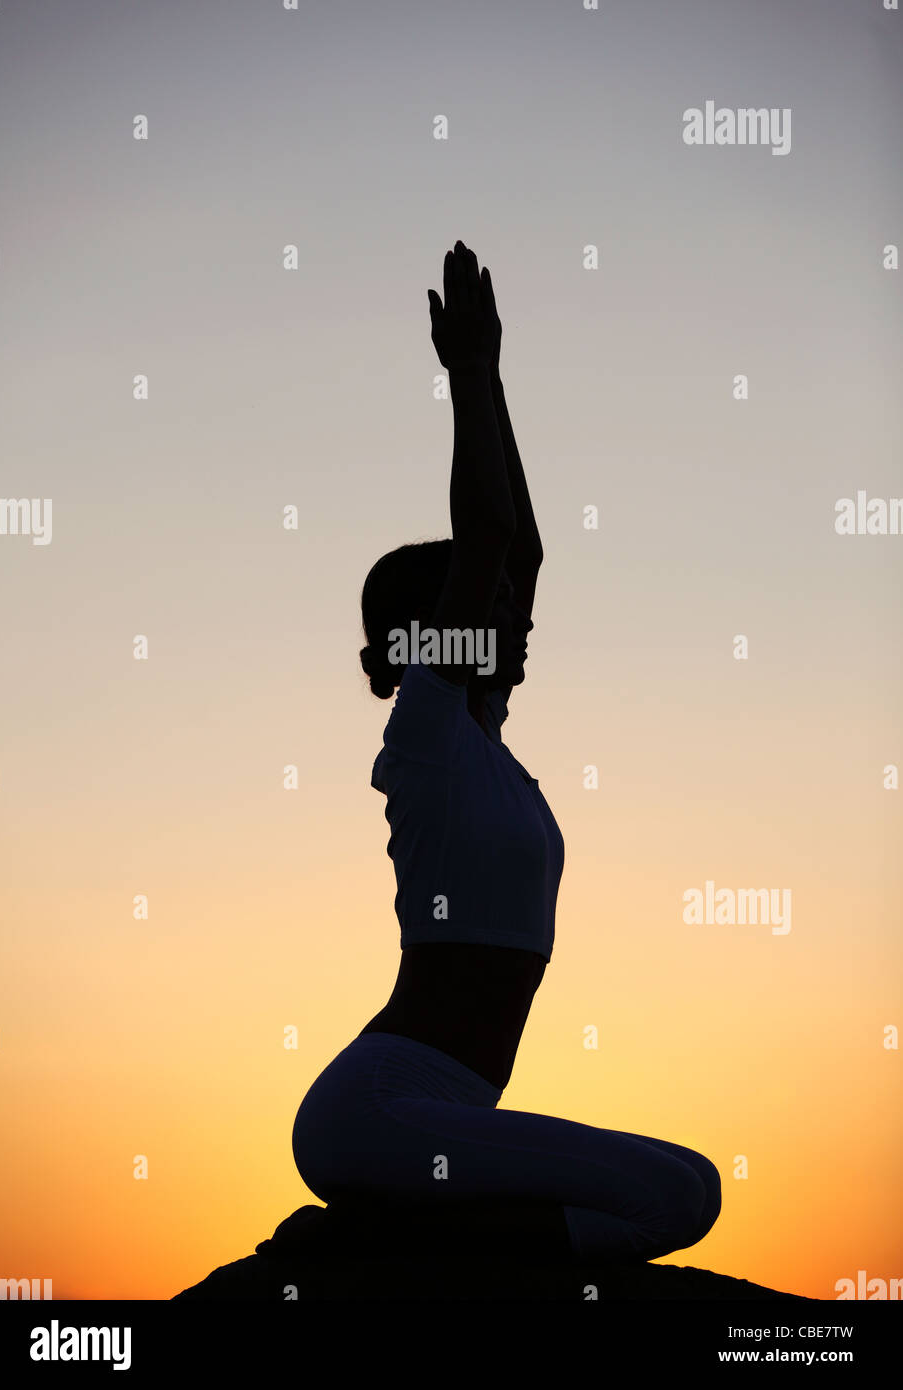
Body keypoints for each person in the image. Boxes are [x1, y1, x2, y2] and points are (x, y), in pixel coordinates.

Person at [291, 241, 721, 1264]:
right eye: (481, 612)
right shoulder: (427, 734)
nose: (513, 618)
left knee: (685, 1191)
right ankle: (406, 1261)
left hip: (431, 1110)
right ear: (429, 638)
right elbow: (490, 540)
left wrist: (491, 375)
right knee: (672, 1197)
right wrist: (469, 378)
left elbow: (517, 551)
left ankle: (414, 1249)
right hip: (383, 1105)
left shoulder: (481, 749)